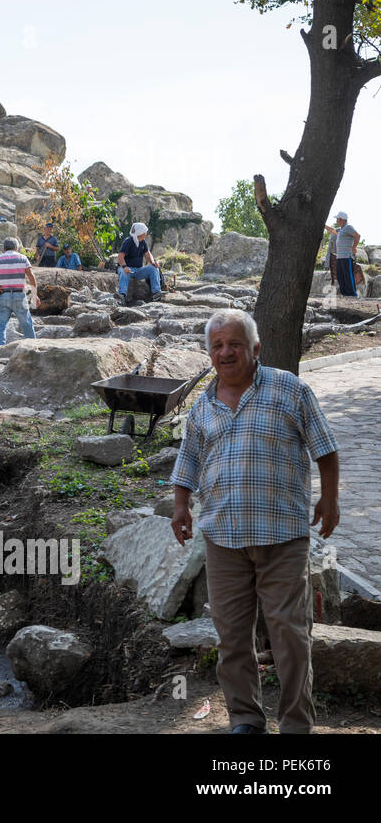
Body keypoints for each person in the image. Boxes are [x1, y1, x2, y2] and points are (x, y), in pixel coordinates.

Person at [171, 309, 340, 734]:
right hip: (223, 537)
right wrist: (180, 506)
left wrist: (330, 500)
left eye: (235, 344)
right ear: (210, 353)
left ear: (255, 348)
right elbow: (188, 462)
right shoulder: (202, 407)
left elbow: (326, 449)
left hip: (282, 536)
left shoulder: (290, 390)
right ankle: (246, 720)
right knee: (231, 636)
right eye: (217, 346)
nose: (226, 353)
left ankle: (296, 724)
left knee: (289, 634)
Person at [0, 237, 40, 345]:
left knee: (1, 326)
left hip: (3, 295)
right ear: (16, 247)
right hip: (19, 296)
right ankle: (33, 348)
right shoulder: (23, 258)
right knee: (27, 325)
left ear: (4, 248)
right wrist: (34, 296)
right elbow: (31, 277)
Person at [117, 221, 165, 304]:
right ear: (140, 233)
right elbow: (120, 256)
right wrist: (124, 267)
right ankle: (122, 296)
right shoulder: (128, 241)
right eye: (145, 231)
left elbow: (147, 254)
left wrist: (153, 262)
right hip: (127, 269)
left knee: (153, 269)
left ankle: (156, 293)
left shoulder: (142, 242)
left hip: (138, 269)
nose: (146, 233)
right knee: (123, 272)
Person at [325, 211, 360, 297]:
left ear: (341, 219)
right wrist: (323, 225)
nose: (336, 221)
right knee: (340, 276)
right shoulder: (341, 230)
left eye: (337, 219)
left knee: (348, 276)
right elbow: (332, 230)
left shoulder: (348, 227)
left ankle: (352, 294)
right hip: (339, 257)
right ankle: (345, 294)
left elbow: (357, 236)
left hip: (347, 256)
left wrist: (354, 247)